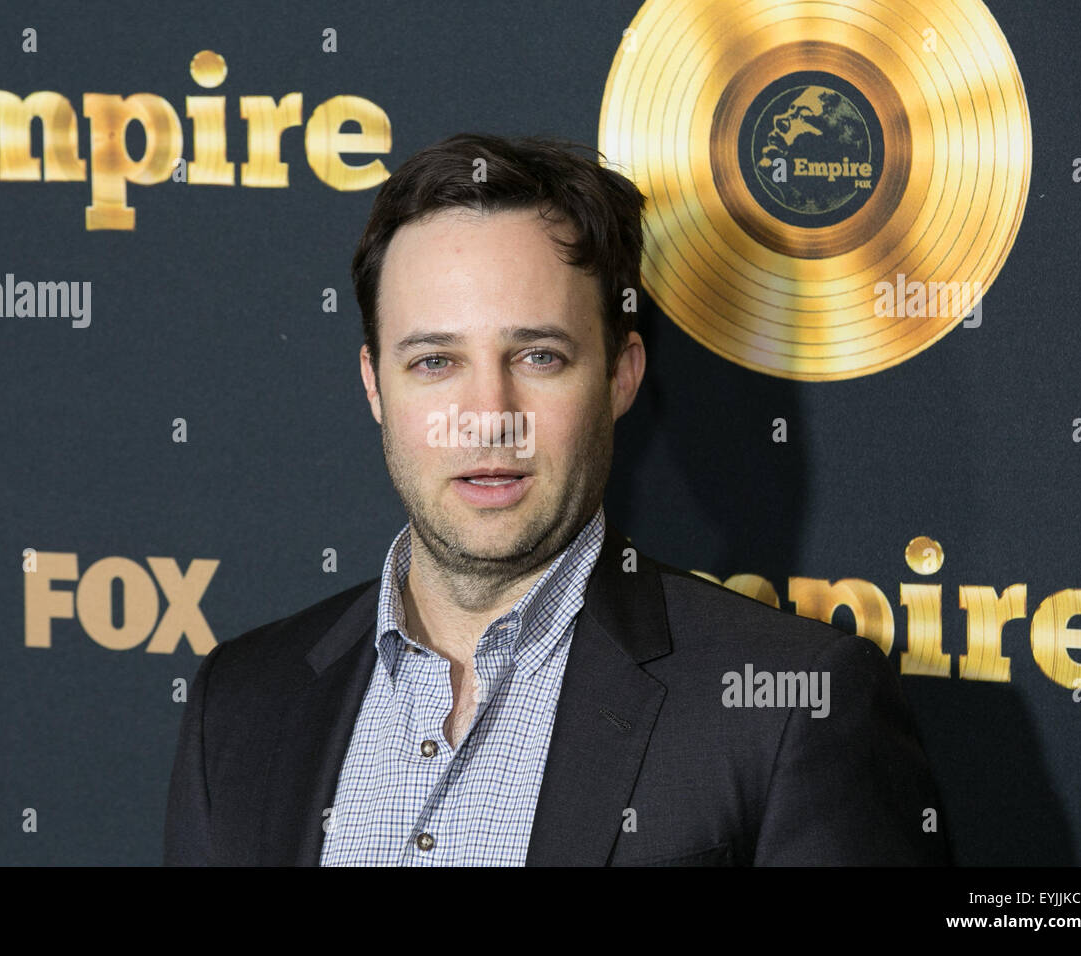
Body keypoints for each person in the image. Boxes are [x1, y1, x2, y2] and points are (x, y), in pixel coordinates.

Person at [163, 132, 948, 866]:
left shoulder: (790, 710)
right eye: (435, 362)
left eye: (538, 355)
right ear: (375, 386)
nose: (488, 413)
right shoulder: (240, 703)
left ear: (621, 375)